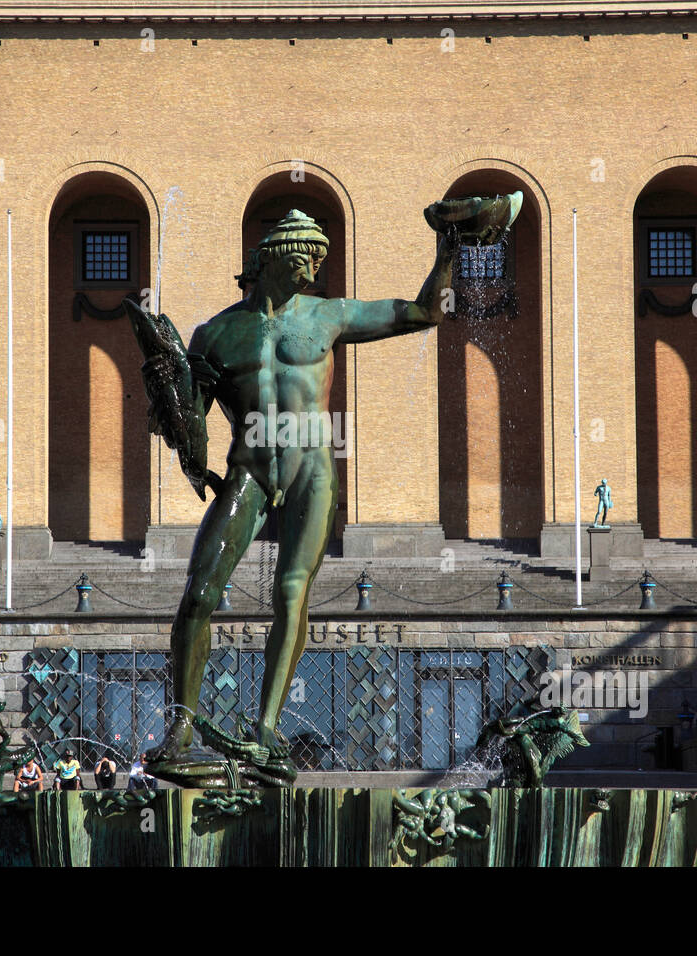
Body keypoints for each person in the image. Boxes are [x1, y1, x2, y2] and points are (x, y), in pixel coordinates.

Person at [142, 207, 463, 771]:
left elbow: (422, 314)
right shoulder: (215, 333)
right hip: (248, 472)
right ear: (269, 258)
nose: (314, 265)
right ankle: (181, 731)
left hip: (313, 467)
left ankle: (265, 730)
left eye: (320, 257)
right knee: (198, 595)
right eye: (304, 255)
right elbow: (184, 420)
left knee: (291, 593)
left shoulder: (329, 316)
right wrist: (165, 394)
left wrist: (447, 253)